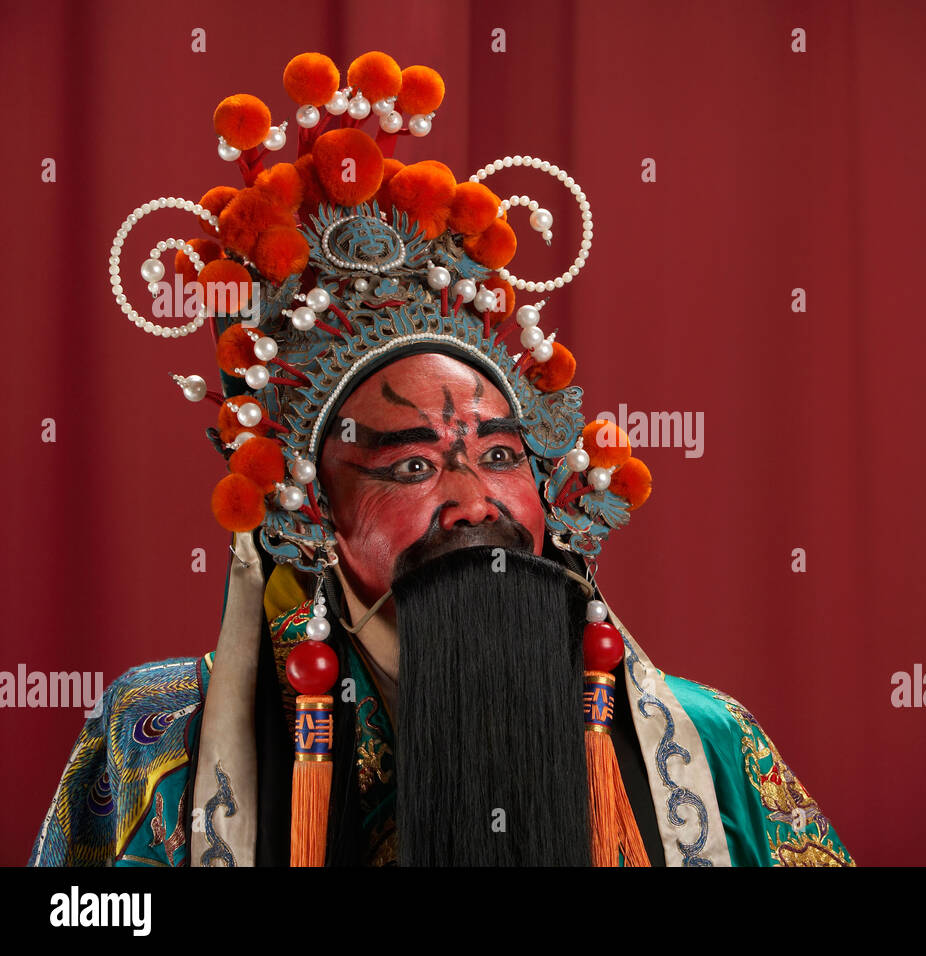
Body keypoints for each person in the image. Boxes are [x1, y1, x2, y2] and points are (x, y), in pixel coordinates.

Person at [28, 50, 853, 868]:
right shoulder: (162, 736)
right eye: (411, 467)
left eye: (500, 453)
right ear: (313, 511)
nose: (473, 501)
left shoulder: (704, 746)